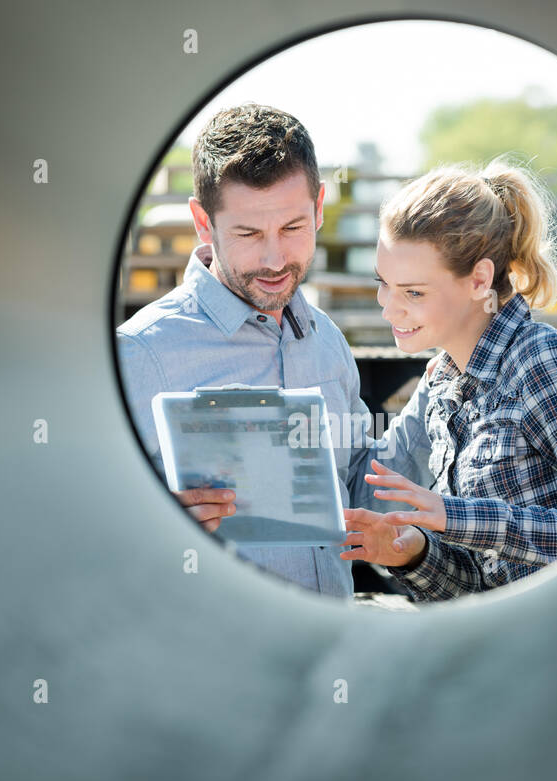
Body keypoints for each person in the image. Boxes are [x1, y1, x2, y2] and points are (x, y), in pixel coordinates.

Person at [117, 104, 431, 598]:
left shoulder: (325, 340)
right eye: (247, 233)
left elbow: (353, 490)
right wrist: (156, 528)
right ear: (203, 222)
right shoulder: (140, 355)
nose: (275, 259)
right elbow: (86, 537)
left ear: (319, 207)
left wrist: (437, 398)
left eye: (292, 228)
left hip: (331, 650)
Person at [339, 159, 557, 601]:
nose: (388, 308)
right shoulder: (441, 384)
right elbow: (479, 585)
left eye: (414, 292)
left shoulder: (548, 365)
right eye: (383, 283)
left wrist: (457, 517)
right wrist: (414, 555)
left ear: (480, 279)